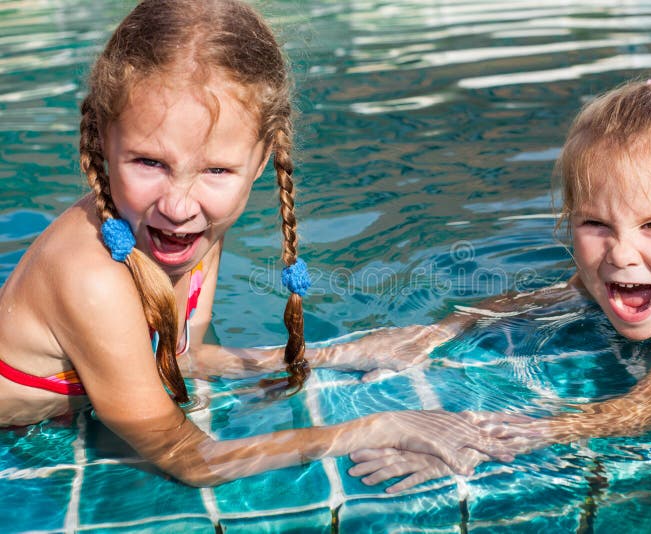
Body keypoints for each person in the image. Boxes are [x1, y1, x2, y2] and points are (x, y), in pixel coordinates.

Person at [0, 0, 522, 487]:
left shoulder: (188, 232)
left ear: (262, 157)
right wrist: (376, 428)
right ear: (101, 141)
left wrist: (337, 353)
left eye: (217, 170)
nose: (179, 205)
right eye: (149, 162)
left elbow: (179, 359)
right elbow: (189, 459)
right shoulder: (94, 277)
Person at [348, 76, 651, 492]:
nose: (620, 253)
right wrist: (432, 334)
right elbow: (524, 304)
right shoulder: (622, 274)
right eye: (596, 223)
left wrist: (489, 438)